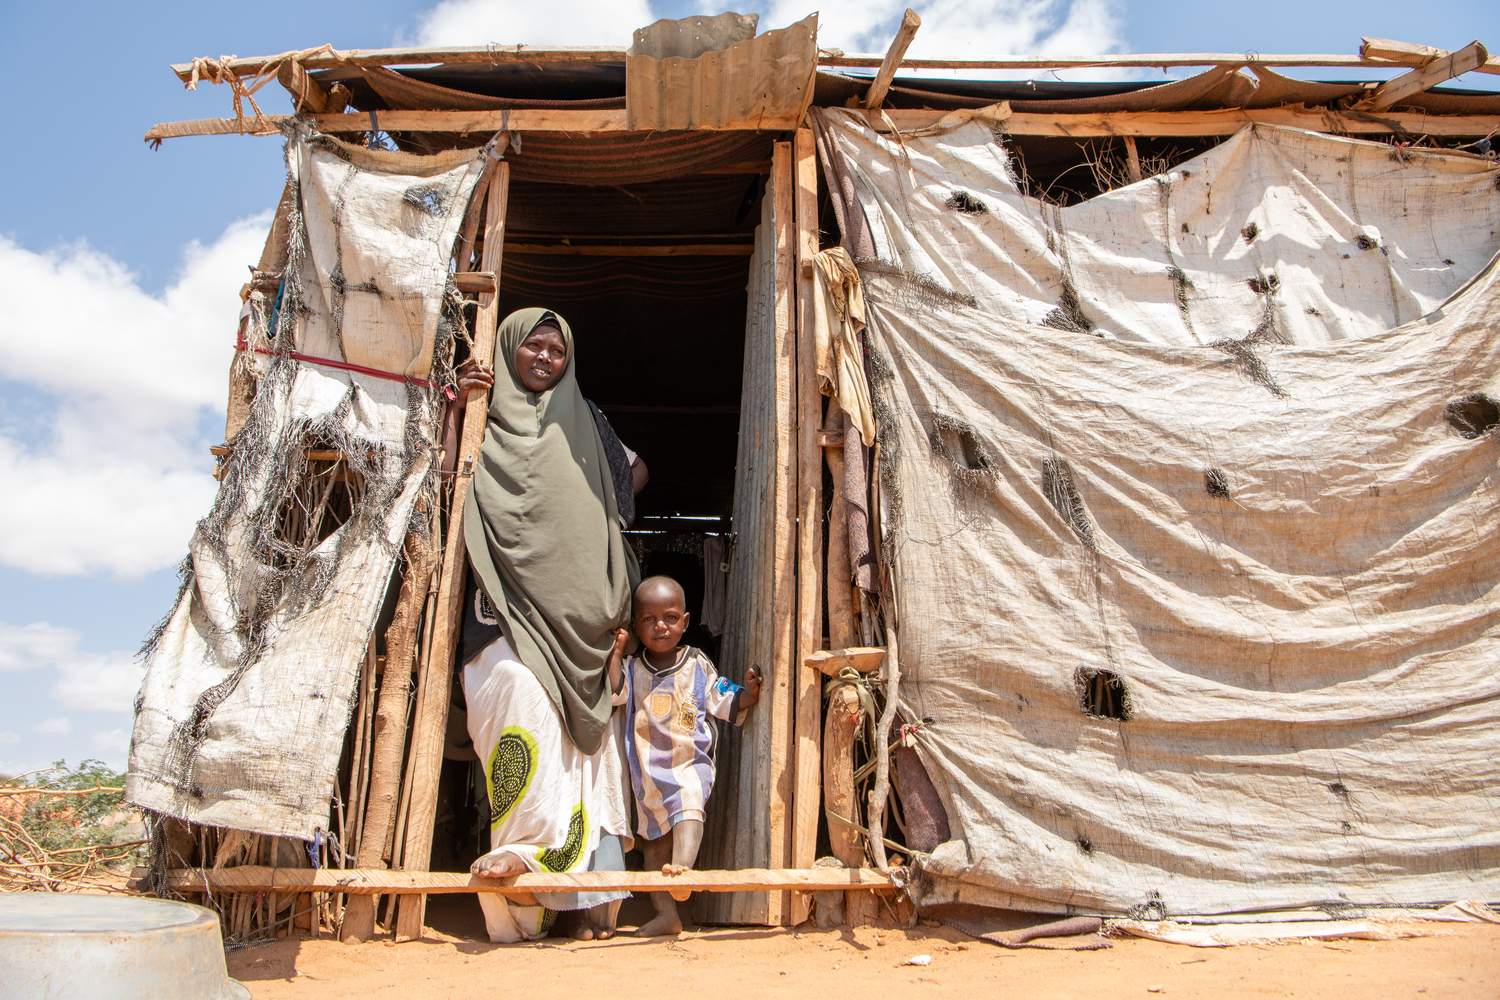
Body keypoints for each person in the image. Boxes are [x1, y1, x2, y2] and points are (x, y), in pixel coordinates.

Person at [441, 307, 647, 943]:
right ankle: (524, 888)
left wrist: (597, 521)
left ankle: (581, 906)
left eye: (557, 351)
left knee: (586, 765)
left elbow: (635, 470)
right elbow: (442, 475)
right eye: (532, 346)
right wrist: (456, 404)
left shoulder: (586, 421)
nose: (544, 358)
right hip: (503, 616)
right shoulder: (481, 411)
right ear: (508, 349)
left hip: (583, 634)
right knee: (523, 716)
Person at [607, 575, 763, 936]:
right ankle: (667, 914)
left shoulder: (696, 664)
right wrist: (616, 654)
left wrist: (748, 694)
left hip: (688, 763)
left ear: (686, 622)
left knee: (689, 803)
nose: (661, 626)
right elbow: (615, 695)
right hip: (647, 773)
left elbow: (722, 696)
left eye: (671, 617)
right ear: (636, 625)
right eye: (649, 620)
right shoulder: (632, 668)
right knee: (652, 849)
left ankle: (684, 870)